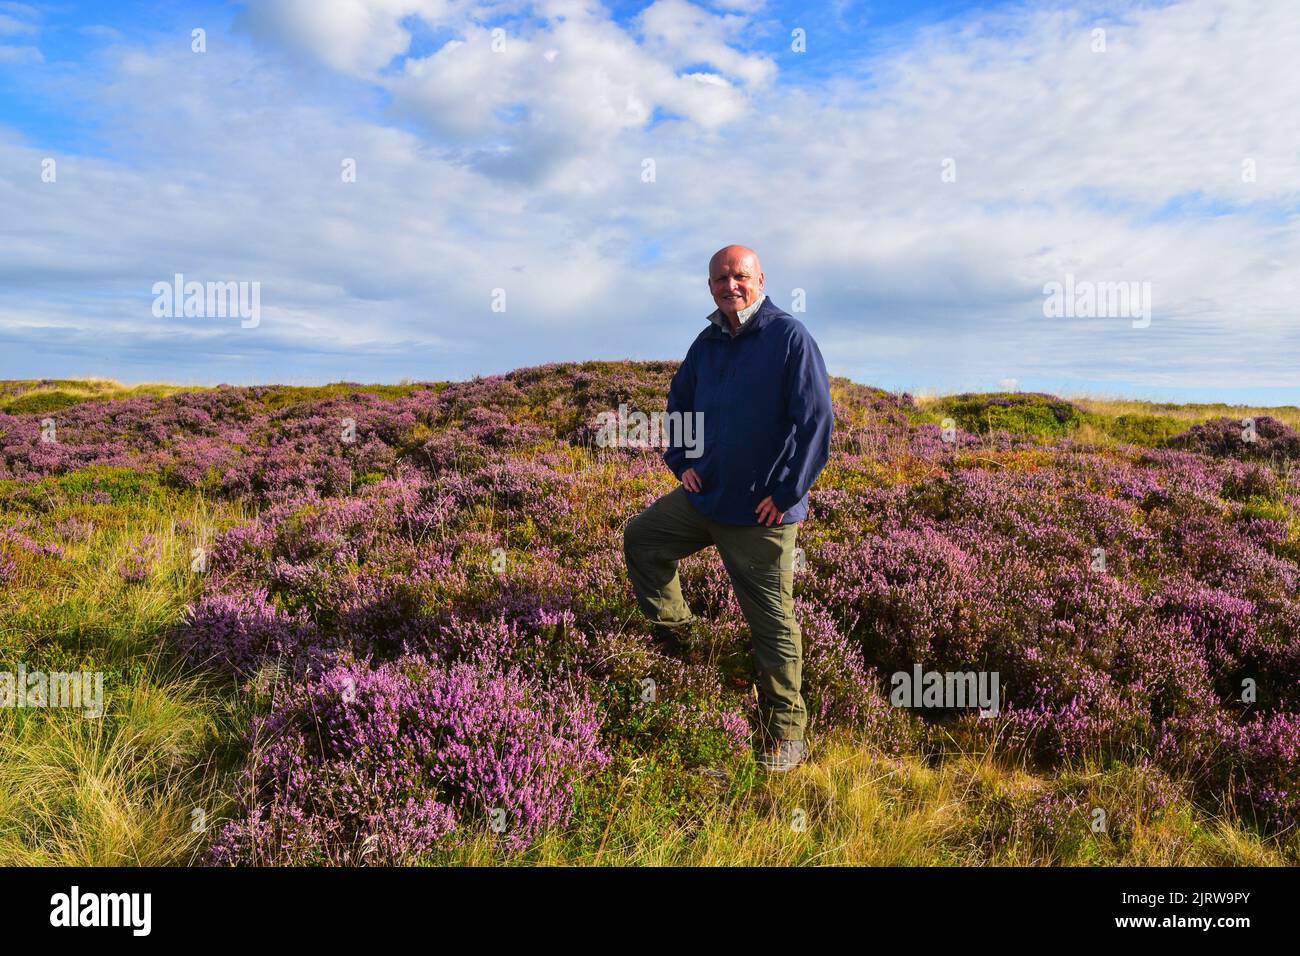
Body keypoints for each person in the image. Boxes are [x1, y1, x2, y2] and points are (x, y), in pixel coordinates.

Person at [622, 244, 834, 772]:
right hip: (704, 497)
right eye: (720, 278)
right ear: (710, 285)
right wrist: (682, 460)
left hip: (761, 514)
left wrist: (786, 493)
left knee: (772, 622)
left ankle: (786, 732)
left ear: (761, 278)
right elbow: (679, 404)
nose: (730, 285)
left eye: (740, 275)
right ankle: (681, 640)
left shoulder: (789, 338)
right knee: (643, 539)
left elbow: (816, 423)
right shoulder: (708, 342)